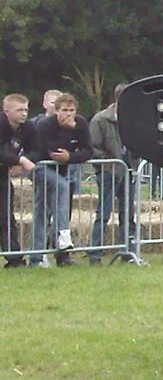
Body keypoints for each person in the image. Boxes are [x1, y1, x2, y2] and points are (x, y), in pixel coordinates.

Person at [26, 92, 92, 267]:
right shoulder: (45, 124)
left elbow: (87, 151)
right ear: (57, 111)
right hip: (39, 167)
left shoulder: (81, 123)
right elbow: (50, 151)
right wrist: (68, 132)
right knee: (60, 189)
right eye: (64, 110)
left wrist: (70, 156)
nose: (68, 114)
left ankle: (39, 256)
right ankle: (63, 236)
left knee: (44, 208)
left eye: (71, 110)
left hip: (61, 170)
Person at [88, 83, 135, 263]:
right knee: (104, 214)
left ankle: (127, 252)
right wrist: (109, 165)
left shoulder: (132, 119)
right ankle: (96, 253)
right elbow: (93, 147)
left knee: (128, 214)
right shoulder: (100, 120)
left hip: (128, 171)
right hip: (109, 172)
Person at [2, 94, 33, 269]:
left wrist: (22, 158)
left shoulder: (27, 127)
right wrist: (18, 160)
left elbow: (37, 149)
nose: (24, 114)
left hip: (3, 178)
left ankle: (14, 258)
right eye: (19, 110)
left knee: (6, 216)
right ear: (7, 111)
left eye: (26, 110)